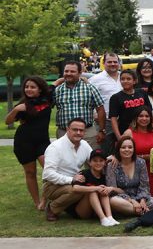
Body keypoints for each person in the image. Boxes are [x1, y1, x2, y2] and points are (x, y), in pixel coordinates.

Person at [6, 75, 52, 210]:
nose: (29, 89)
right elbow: (8, 122)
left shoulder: (48, 99)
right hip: (24, 142)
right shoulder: (22, 104)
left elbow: (57, 82)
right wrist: (15, 110)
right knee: (30, 172)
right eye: (27, 87)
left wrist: (84, 78)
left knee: (49, 171)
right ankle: (37, 203)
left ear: (40, 89)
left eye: (32, 87)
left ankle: (44, 200)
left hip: (42, 142)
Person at [41, 119, 96, 222]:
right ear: (68, 130)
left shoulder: (84, 145)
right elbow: (48, 174)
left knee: (85, 188)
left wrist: (113, 159)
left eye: (81, 130)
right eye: (75, 130)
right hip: (52, 185)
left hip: (74, 182)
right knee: (78, 190)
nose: (78, 133)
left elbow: (96, 160)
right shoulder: (55, 147)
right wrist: (71, 180)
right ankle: (52, 208)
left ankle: (71, 207)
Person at [106, 134, 153, 216]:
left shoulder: (141, 162)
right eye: (123, 147)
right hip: (122, 199)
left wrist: (142, 200)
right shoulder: (112, 165)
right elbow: (112, 189)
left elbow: (144, 185)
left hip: (139, 197)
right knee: (113, 201)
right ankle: (143, 212)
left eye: (130, 147)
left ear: (134, 149)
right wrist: (132, 201)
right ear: (118, 149)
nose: (127, 150)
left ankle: (133, 211)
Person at [67, 149, 120, 226]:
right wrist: (96, 188)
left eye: (101, 160)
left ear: (105, 163)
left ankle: (109, 217)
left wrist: (106, 189)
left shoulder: (104, 176)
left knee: (103, 190)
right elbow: (75, 188)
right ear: (90, 163)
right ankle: (103, 219)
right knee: (93, 191)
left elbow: (119, 190)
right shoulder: (84, 173)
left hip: (95, 210)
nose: (98, 163)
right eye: (95, 160)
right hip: (81, 211)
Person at [107, 69, 152, 146]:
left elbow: (150, 111)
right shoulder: (115, 97)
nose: (125, 81)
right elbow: (113, 119)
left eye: (128, 79)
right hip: (125, 131)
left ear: (134, 81)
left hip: (144, 129)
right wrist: (119, 137)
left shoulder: (142, 92)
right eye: (122, 79)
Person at [124, 107, 153, 189]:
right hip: (135, 169)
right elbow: (121, 151)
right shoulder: (129, 133)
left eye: (147, 116)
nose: (144, 118)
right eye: (141, 116)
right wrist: (143, 157)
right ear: (136, 118)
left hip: (152, 170)